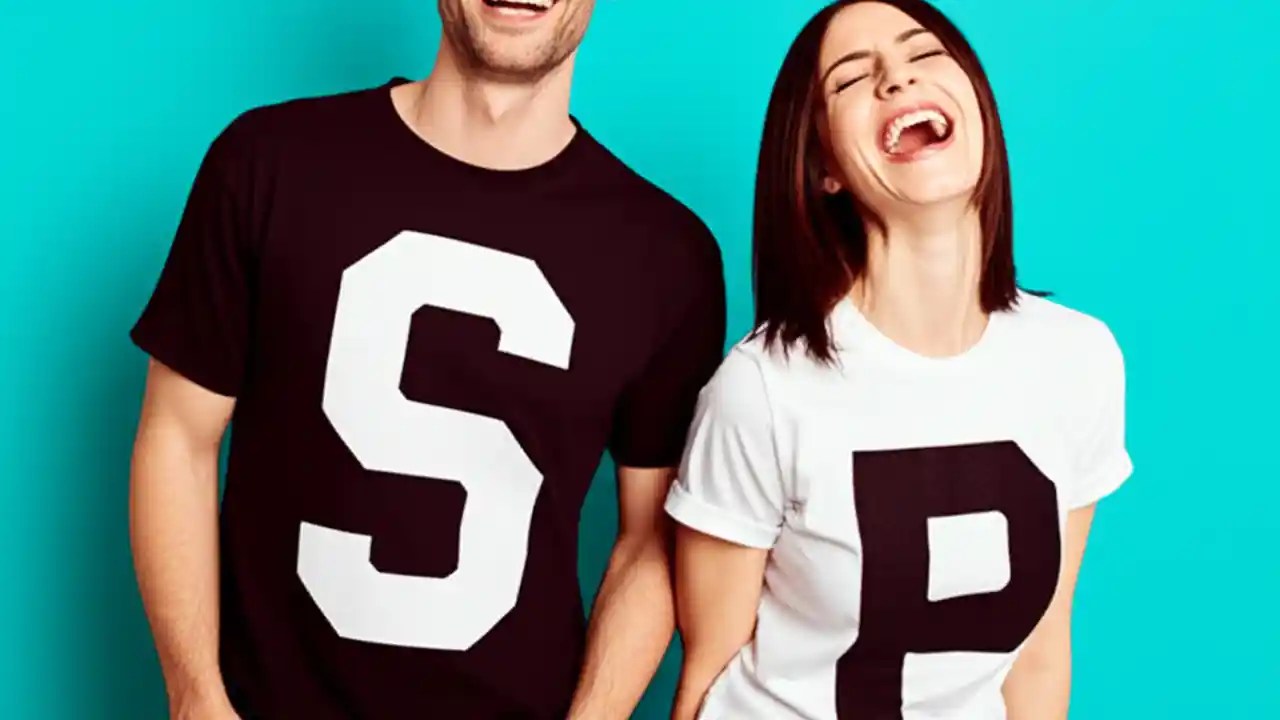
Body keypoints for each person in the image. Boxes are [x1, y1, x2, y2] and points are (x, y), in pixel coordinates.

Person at [128, 0, 726, 717]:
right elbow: (178, 438)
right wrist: (196, 698)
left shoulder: (668, 257)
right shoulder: (269, 160)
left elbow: (650, 536)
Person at [664, 1, 1132, 718]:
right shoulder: (761, 389)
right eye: (852, 79)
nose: (895, 78)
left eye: (924, 55)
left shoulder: (1079, 359)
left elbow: (1039, 655)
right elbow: (709, 674)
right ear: (824, 167)